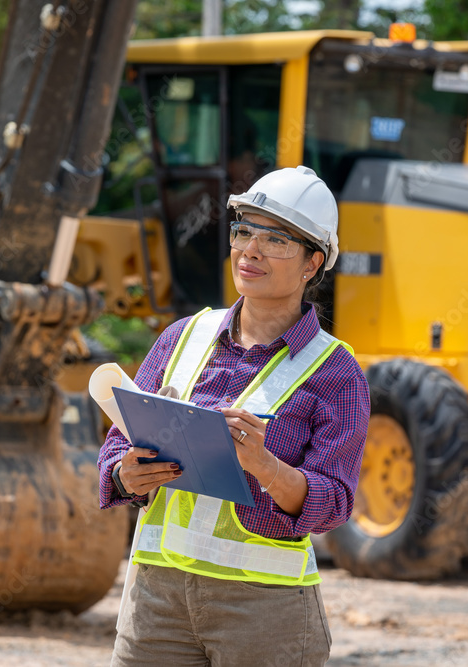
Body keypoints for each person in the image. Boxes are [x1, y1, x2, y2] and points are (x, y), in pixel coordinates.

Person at [97, 166, 369, 667]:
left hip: (263, 615)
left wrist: (266, 466)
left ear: (313, 263)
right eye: (243, 231)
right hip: (156, 603)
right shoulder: (183, 336)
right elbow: (118, 442)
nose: (251, 250)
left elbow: (334, 501)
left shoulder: (337, 372)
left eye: (276, 239)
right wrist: (124, 472)